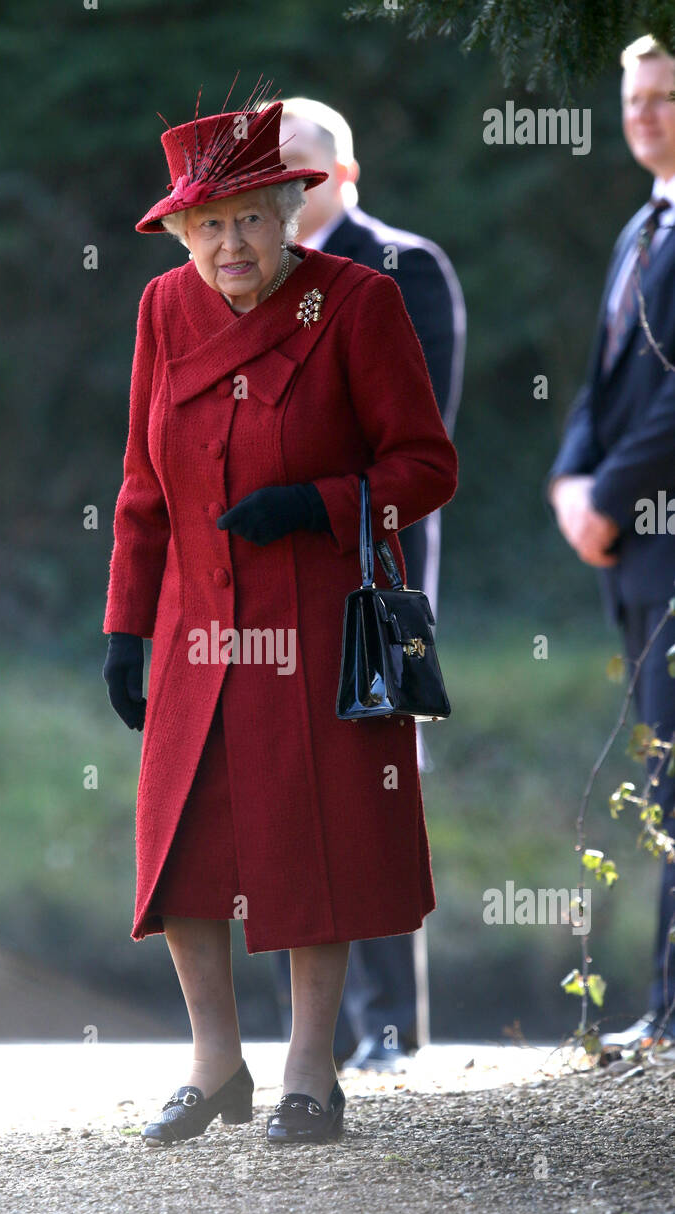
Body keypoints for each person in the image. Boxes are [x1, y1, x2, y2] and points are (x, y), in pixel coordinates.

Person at [102, 80, 458, 1146]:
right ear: (180, 232)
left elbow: (426, 466)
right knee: (185, 839)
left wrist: (322, 501)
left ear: (290, 210)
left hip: (313, 621)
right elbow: (139, 483)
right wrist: (125, 626)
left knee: (318, 839)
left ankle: (312, 1067)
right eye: (207, 225)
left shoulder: (356, 301)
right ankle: (215, 1063)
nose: (230, 244)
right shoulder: (162, 311)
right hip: (195, 620)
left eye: (249, 217)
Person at [270, 96, 466, 1072]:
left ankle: (388, 1029)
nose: (281, 185)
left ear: (344, 176)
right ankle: (305, 1037)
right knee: (274, 790)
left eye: (299, 166)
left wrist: (307, 490)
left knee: (371, 787)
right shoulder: (245, 280)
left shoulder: (405, 268)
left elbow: (418, 444)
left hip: (367, 580)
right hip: (264, 583)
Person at [546, 35, 675, 1048]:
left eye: (662, 96)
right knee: (661, 775)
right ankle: (665, 1009)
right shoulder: (638, 226)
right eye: (633, 97)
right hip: (628, 549)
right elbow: (601, 383)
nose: (642, 113)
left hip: (662, 536)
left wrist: (610, 493)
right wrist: (566, 480)